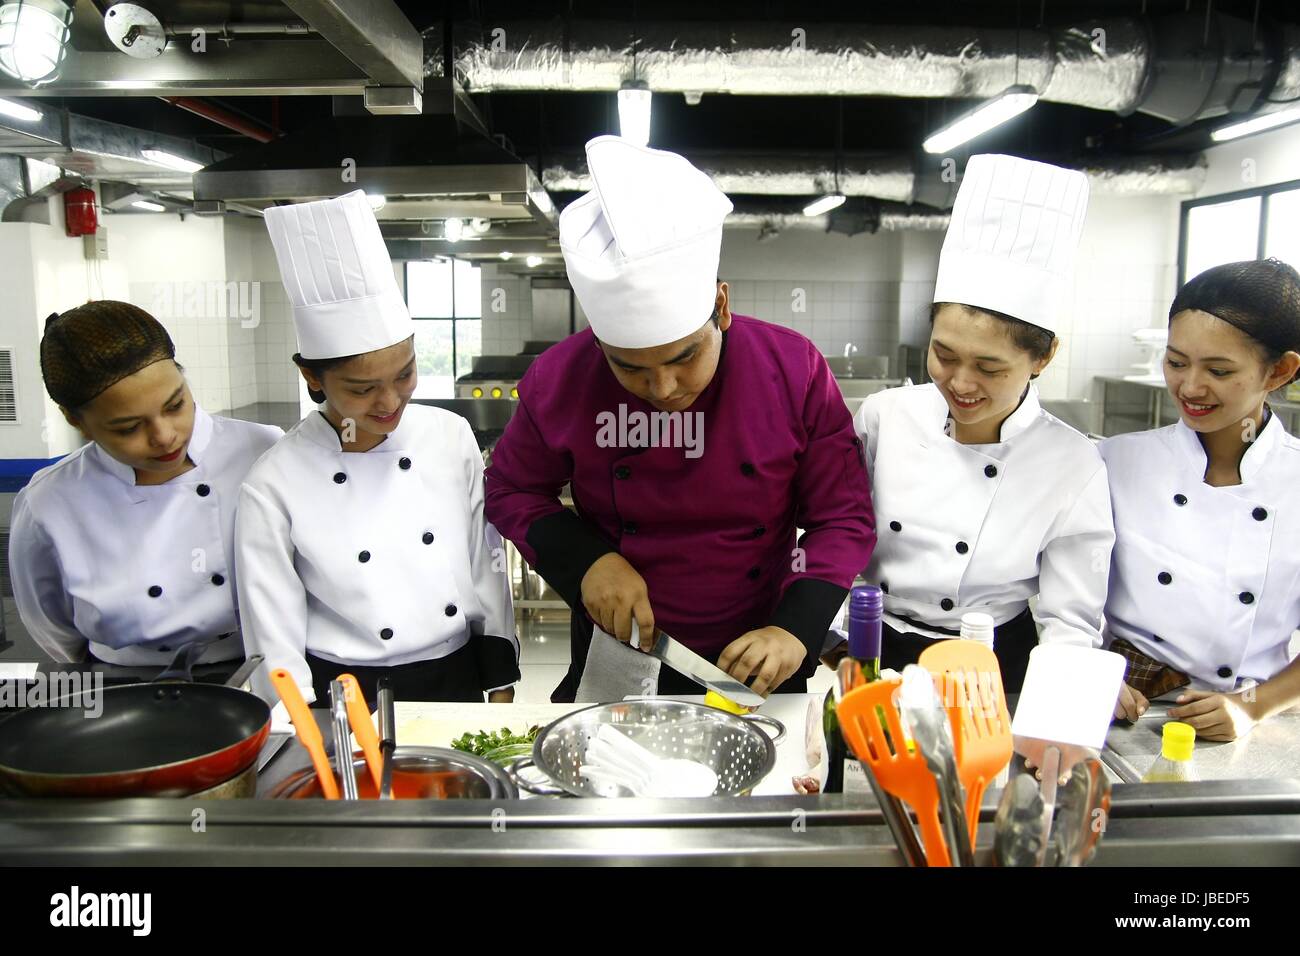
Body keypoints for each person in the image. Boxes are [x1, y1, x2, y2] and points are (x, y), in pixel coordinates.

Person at [484, 135, 875, 702]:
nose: (662, 390)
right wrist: (587, 562)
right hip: (618, 650)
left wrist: (796, 627)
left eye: (683, 357)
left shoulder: (793, 371)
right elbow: (513, 487)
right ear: (598, 342)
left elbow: (841, 516)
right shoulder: (559, 379)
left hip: (758, 650)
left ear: (721, 305)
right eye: (630, 368)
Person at [829, 154, 1114, 693]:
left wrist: (1060, 708)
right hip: (876, 646)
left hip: (995, 660)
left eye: (989, 368)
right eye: (943, 353)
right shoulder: (887, 416)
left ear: (1043, 358)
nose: (959, 382)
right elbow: (836, 531)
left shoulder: (1071, 462)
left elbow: (1071, 619)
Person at [236, 190, 518, 706]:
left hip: (454, 678)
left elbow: (485, 564)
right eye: (362, 389)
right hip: (342, 697)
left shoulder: (449, 435)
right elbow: (272, 628)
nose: (390, 401)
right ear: (311, 377)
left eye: (405, 373)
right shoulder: (274, 480)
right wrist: (300, 734)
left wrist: (498, 677)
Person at [9, 301, 281, 671]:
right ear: (77, 421)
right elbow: (51, 624)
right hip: (123, 679)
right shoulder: (50, 500)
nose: (165, 437)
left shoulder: (262, 451)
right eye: (128, 428)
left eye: (175, 405)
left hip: (260, 668)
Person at [1102, 258, 1300, 740]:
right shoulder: (1113, 463)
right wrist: (1090, 670)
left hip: (1251, 718)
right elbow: (1066, 599)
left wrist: (1251, 707)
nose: (1190, 387)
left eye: (1218, 369)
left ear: (1280, 371)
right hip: (1121, 709)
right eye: (1175, 362)